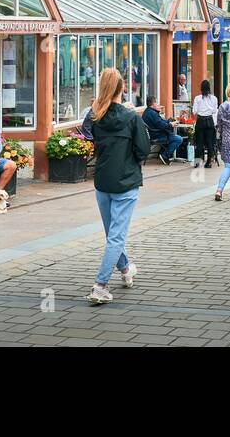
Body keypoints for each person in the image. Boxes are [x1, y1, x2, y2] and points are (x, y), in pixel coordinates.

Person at [78, 68, 150, 305]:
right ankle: (100, 285)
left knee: (112, 234)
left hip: (102, 181)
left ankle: (126, 268)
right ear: (122, 88)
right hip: (126, 181)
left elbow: (92, 140)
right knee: (116, 237)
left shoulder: (95, 116)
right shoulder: (131, 118)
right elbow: (143, 150)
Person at [140, 95, 182, 165]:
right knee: (178, 139)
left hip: (152, 135)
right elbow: (161, 125)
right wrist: (171, 124)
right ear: (153, 104)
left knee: (173, 136)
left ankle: (163, 155)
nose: (158, 104)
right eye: (157, 103)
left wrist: (169, 123)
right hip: (156, 136)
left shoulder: (147, 112)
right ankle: (165, 155)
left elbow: (160, 122)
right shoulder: (152, 113)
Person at [191, 80, 220, 169]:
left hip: (200, 120)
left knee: (199, 142)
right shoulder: (214, 98)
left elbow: (194, 111)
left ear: (201, 88)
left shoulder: (197, 98)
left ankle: (197, 162)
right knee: (210, 142)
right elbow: (215, 111)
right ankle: (209, 163)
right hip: (210, 120)